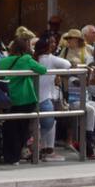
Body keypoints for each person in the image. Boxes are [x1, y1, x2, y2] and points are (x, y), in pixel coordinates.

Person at [0, 36, 49, 165]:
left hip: (8, 99)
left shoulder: (4, 61)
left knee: (9, 128)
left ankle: (8, 156)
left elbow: (1, 76)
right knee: (22, 129)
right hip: (25, 100)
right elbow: (43, 70)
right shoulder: (26, 59)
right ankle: (15, 156)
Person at [32, 34, 70, 162]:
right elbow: (67, 64)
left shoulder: (33, 58)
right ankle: (37, 145)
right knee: (48, 124)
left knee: (38, 124)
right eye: (51, 43)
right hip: (45, 98)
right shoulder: (51, 59)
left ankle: (44, 149)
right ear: (47, 47)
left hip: (32, 98)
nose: (54, 45)